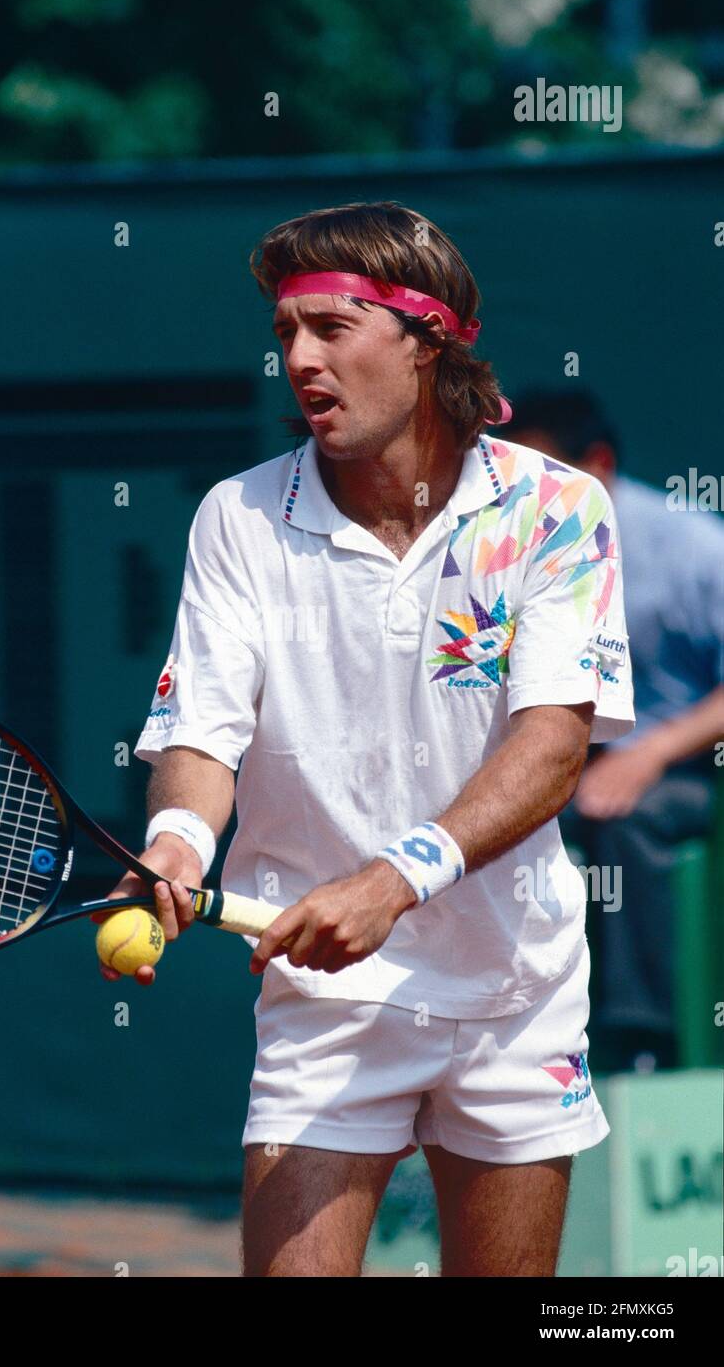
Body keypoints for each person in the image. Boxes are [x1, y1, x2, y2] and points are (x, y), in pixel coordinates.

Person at [103, 202, 635, 1277]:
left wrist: (392, 880)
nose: (298, 359)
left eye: (331, 328)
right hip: (322, 1002)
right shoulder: (238, 517)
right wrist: (173, 845)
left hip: (510, 994)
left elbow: (548, 750)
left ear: (427, 334)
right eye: (283, 335)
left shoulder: (554, 509)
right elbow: (202, 734)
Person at [504, 389, 724, 1073]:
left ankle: (642, 1043)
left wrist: (650, 754)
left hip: (686, 772)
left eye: (538, 473)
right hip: (575, 767)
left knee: (628, 822)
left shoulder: (691, 545)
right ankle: (506, 1034)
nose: (521, 493)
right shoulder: (511, 548)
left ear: (595, 464)